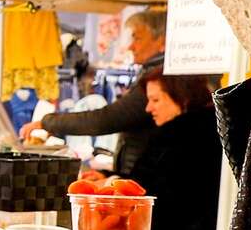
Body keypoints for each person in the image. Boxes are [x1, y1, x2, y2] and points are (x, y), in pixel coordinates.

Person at [24, 10, 167, 174]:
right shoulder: (150, 73)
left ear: (161, 41)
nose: (130, 46)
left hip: (145, 180)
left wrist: (49, 122)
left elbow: (110, 118)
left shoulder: (161, 78)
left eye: (138, 38)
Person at [127, 70, 222, 230]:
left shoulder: (174, 138)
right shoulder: (220, 130)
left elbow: (143, 190)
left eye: (155, 100)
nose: (148, 108)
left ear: (182, 97)